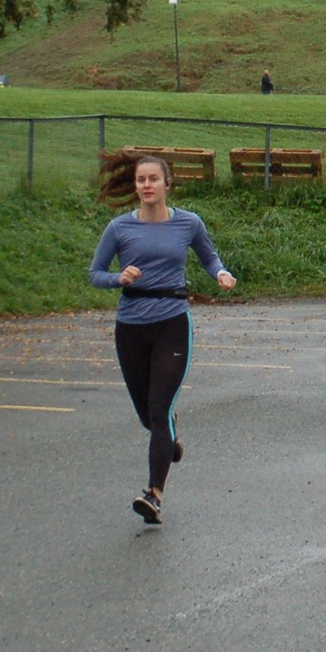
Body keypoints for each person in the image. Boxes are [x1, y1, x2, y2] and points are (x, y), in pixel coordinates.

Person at [89, 152, 237, 524]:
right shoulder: (119, 228)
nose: (147, 185)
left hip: (172, 321)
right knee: (148, 416)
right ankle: (168, 440)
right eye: (141, 180)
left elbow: (209, 257)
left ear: (167, 184)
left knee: (159, 408)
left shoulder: (188, 223)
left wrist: (221, 274)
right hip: (131, 326)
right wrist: (117, 279)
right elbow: (95, 273)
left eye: (154, 179)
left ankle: (153, 494)